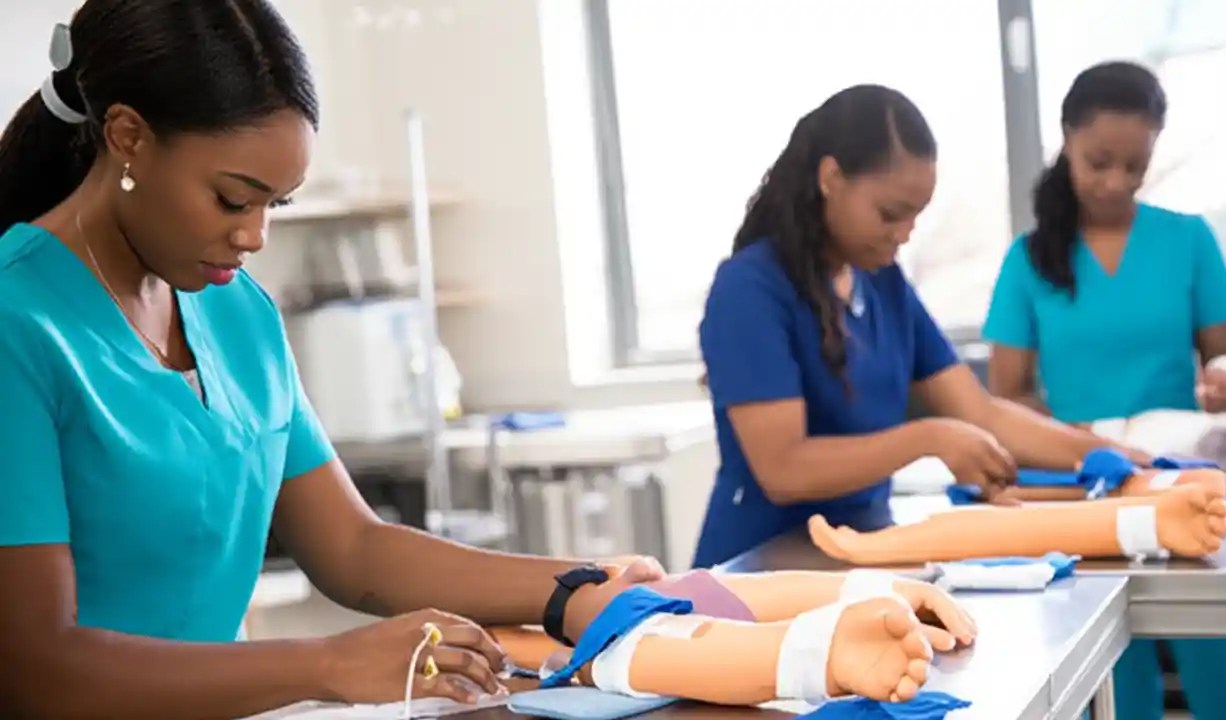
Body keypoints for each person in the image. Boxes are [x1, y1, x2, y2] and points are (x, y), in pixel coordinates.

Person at [0, 3, 662, 719]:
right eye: (231, 199)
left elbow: (353, 547)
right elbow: (39, 667)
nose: (253, 235)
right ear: (128, 135)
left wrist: (575, 586)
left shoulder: (236, 312)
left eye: (273, 206)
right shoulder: (17, 322)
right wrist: (330, 664)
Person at [692, 84, 1138, 571]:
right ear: (831, 177)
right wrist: (927, 438)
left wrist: (1110, 456)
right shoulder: (749, 289)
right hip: (761, 568)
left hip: (861, 553)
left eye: (915, 218)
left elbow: (982, 415)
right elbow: (784, 468)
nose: (903, 235)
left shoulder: (881, 283)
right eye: (889, 214)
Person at [982, 61, 1226, 720]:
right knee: (1110, 663)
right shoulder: (1028, 259)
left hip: (1178, 479)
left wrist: (1223, 383)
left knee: (1215, 654)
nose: (1115, 181)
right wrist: (1079, 442)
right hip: (1081, 488)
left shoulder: (1188, 240)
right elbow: (1005, 394)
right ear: (1066, 138)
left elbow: (1225, 360)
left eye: (1135, 165)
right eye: (1099, 160)